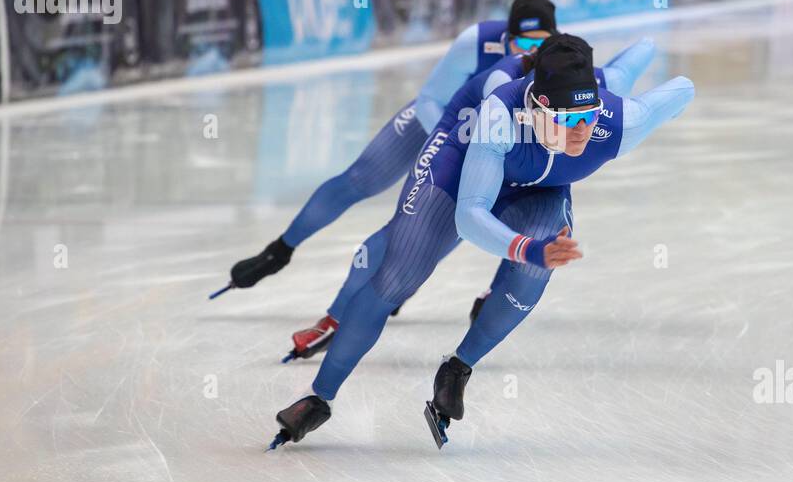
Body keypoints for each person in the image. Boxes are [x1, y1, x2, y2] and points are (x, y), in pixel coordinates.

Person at [269, 34, 694, 448]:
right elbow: (471, 215)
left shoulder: (621, 122)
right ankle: (319, 398)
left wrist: (534, 254)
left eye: (589, 117)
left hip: (539, 190)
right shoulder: (500, 116)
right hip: (458, 176)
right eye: (568, 120)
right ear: (538, 109)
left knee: (534, 272)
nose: (582, 132)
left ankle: (458, 368)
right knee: (396, 278)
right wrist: (526, 246)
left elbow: (681, 89)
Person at [281, 34, 657, 362]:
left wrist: (646, 47)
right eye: (523, 44)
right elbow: (438, 110)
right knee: (402, 243)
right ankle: (336, 318)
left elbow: (623, 72)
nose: (526, 50)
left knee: (521, 233)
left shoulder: (573, 82)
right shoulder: (497, 76)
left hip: (519, 172)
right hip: (465, 163)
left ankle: (490, 291)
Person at [225, 0, 559, 295]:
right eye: (520, 43)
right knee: (359, 179)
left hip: (485, 140)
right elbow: (428, 99)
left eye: (539, 42)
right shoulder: (476, 41)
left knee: (463, 213)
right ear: (506, 37)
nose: (529, 51)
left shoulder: (562, 64)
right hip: (439, 123)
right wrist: (449, 147)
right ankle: (280, 249)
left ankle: (410, 277)